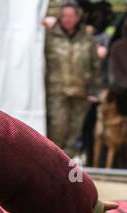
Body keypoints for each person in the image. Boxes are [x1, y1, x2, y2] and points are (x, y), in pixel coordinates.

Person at [45, 2, 99, 158]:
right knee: (57, 129)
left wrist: (95, 89)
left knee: (75, 132)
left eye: (71, 16)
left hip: (81, 92)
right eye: (64, 16)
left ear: (78, 17)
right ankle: (53, 162)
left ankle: (68, 170)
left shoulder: (87, 38)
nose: (67, 19)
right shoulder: (49, 36)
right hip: (56, 91)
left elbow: (95, 64)